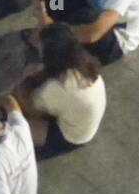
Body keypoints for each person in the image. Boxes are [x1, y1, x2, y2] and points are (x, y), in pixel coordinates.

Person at [13, 22, 106, 157]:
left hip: (72, 135)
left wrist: (21, 79)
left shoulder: (60, 87)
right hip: (82, 119)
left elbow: (31, 109)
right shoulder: (86, 65)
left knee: (15, 127)